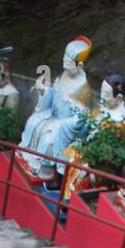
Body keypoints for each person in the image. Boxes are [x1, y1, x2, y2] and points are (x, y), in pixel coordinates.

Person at [19, 37, 93, 183]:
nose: (65, 62)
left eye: (69, 61)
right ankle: (29, 157)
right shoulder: (64, 75)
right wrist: (45, 91)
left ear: (80, 66)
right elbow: (53, 93)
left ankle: (45, 168)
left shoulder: (82, 88)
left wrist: (60, 125)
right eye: (64, 58)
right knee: (33, 122)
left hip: (63, 125)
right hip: (53, 116)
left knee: (48, 140)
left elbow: (81, 118)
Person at [59, 71, 125, 200]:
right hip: (86, 150)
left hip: (100, 162)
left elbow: (110, 151)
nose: (102, 96)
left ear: (118, 98)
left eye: (107, 94)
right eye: (102, 92)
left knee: (82, 170)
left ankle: (73, 200)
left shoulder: (121, 122)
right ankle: (65, 193)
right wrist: (80, 140)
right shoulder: (101, 109)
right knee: (69, 153)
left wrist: (90, 155)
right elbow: (87, 126)